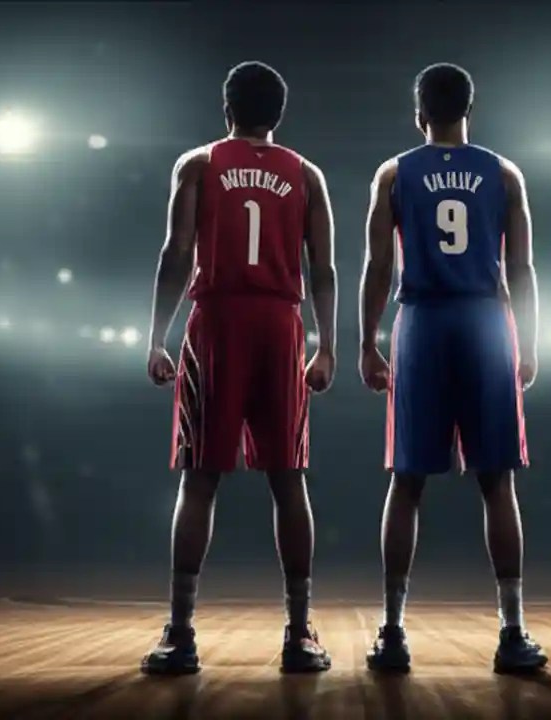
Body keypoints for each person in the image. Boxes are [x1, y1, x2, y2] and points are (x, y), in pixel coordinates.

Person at [142, 61, 337, 675]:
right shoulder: (306, 175)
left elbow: (177, 252)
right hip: (280, 326)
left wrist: (157, 337)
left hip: (218, 322)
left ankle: (179, 634)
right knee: (289, 480)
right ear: (279, 114)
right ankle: (300, 634)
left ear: (225, 107)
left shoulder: (198, 164)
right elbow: (323, 269)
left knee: (199, 479)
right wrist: (328, 344)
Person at [358, 62, 547, 674]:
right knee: (497, 482)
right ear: (470, 109)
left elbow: (377, 268)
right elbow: (521, 269)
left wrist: (366, 341)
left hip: (423, 324)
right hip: (487, 324)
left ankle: (391, 632)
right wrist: (530, 344)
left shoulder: (394, 172)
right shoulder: (504, 173)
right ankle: (513, 633)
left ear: (419, 113)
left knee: (407, 482)